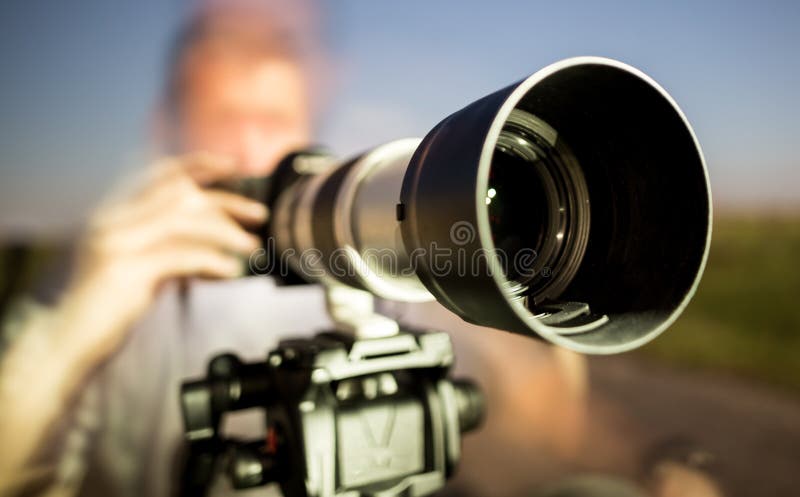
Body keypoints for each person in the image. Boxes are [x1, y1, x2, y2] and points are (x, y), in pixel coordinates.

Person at [0, 3, 591, 497]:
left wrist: (496, 275)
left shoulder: (367, 260)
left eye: (275, 120)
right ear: (165, 128)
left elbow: (545, 433)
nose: (256, 150)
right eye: (226, 118)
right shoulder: (105, 278)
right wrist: (67, 332)